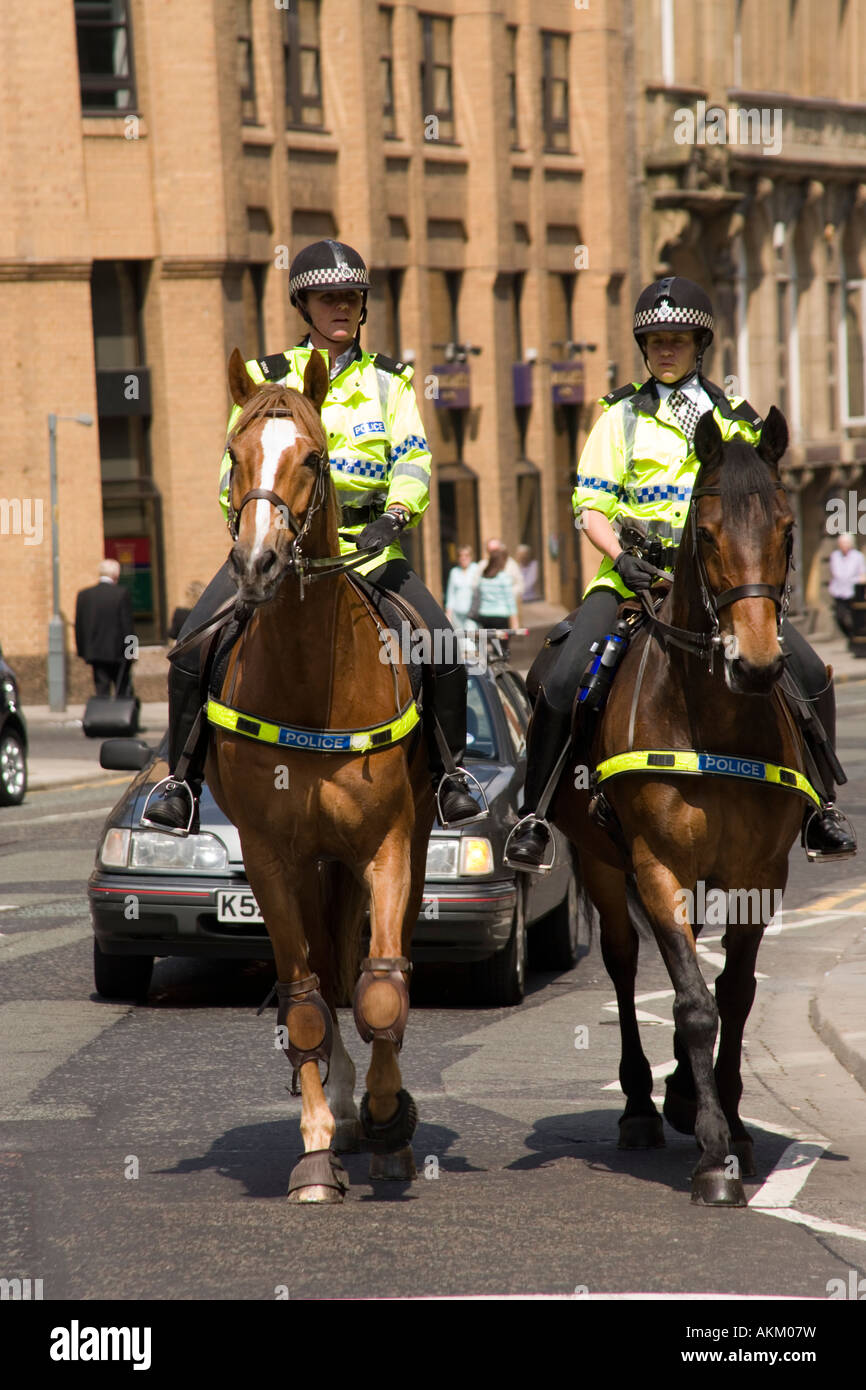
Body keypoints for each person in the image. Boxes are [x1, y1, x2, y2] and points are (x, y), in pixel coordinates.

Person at [506, 275, 856, 870]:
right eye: (656, 340)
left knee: (806, 673)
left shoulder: (737, 420)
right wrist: (619, 558)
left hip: (720, 589)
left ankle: (820, 807)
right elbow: (591, 505)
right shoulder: (618, 416)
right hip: (629, 582)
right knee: (562, 677)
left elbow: (759, 509)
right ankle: (535, 815)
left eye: (679, 338)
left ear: (700, 344)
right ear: (644, 348)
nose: (666, 349)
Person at [143, 239, 482, 832]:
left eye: (351, 297)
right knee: (193, 647)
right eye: (328, 298)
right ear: (304, 304)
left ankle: (452, 776)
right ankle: (181, 783)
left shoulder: (392, 382)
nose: (341, 308)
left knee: (443, 644)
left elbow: (413, 460)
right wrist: (254, 528)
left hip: (368, 548)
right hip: (276, 545)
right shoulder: (263, 378)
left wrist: (395, 516)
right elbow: (236, 469)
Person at [74, 559, 135, 698]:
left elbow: (79, 626)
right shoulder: (121, 593)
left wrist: (83, 651)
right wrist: (132, 652)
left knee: (101, 690)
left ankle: (102, 717)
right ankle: (120, 717)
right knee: (122, 690)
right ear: (115, 575)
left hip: (95, 653)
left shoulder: (85, 595)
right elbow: (128, 626)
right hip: (118, 653)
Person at [471, 542, 519, 632]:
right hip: (501, 616)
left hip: (484, 615)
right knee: (501, 645)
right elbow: (510, 600)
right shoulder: (504, 577)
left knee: (492, 642)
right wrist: (515, 621)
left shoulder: (483, 578)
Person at [828, 534, 866, 638]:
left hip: (853, 592)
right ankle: (851, 636)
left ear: (850, 544)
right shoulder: (835, 556)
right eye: (841, 543)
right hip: (839, 591)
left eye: (845, 543)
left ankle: (855, 638)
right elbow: (834, 572)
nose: (843, 545)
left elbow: (862, 574)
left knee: (855, 618)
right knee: (840, 617)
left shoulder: (857, 556)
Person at [445, 545, 478, 628]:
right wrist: (448, 614)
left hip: (472, 613)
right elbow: (451, 594)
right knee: (461, 639)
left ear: (471, 557)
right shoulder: (454, 572)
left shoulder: (476, 569)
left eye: (466, 555)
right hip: (457, 613)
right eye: (460, 556)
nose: (463, 558)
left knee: (471, 638)